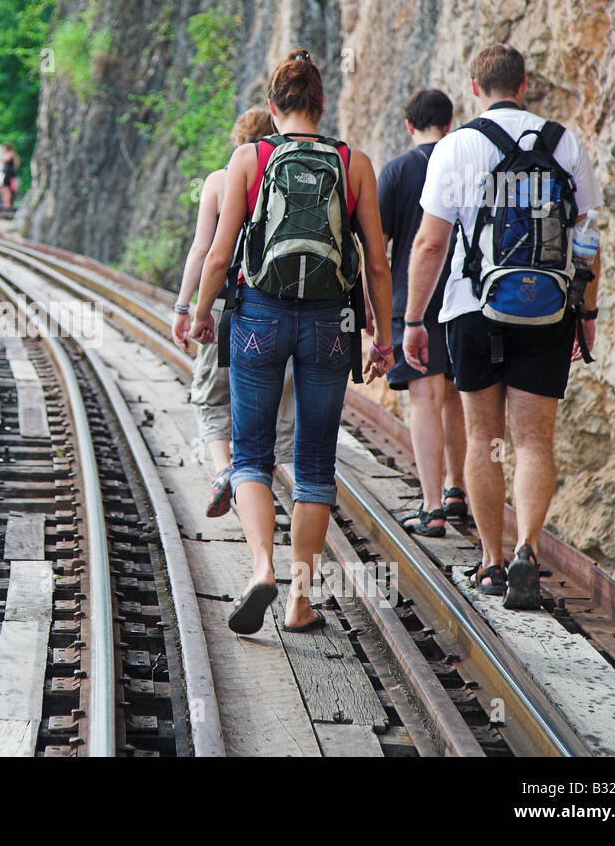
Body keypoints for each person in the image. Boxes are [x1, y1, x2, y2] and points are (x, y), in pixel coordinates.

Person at [191, 49, 394, 635]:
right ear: (322, 104)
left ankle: (261, 567)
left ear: (272, 105)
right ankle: (300, 598)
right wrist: (381, 335)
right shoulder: (353, 163)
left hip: (258, 317)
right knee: (314, 463)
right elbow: (376, 265)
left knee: (251, 455)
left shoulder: (249, 159)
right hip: (331, 325)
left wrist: (203, 315)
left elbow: (220, 254)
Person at [404, 44, 603, 610]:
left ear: (474, 87)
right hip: (547, 308)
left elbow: (429, 242)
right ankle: (528, 549)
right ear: (525, 83)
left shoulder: (456, 146)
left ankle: (491, 564)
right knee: (535, 440)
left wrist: (414, 319)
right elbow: (587, 241)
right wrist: (586, 317)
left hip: (472, 309)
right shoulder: (565, 144)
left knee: (487, 439)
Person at [171, 106, 296, 518]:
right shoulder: (291, 177)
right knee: (270, 402)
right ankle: (259, 478)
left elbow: (203, 250)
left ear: (237, 140)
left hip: (224, 304)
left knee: (212, 396)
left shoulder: (220, 181)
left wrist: (186, 306)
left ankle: (225, 470)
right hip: (279, 306)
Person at [378, 89, 468, 537]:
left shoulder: (398, 170)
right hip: (465, 296)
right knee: (457, 394)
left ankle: (431, 506)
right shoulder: (467, 164)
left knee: (425, 399)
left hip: (413, 299)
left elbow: (376, 245)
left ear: (409, 126)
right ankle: (457, 489)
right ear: (451, 123)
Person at [0, 143, 20, 209]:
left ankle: (7, 205)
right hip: (8, 175)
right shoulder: (13, 154)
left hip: (8, 175)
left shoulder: (10, 154)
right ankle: (7, 205)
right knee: (4, 190)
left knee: (7, 190)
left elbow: (4, 160)